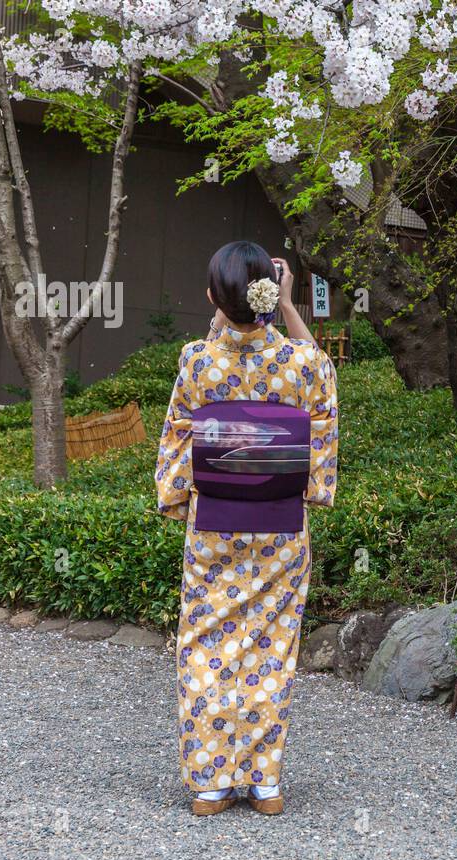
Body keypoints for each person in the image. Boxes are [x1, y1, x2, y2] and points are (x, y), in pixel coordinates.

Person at [154, 241, 339, 816]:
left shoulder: (197, 359)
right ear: (270, 293)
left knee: (207, 644)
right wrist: (286, 307)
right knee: (272, 647)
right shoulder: (304, 364)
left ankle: (211, 781)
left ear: (214, 297)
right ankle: (263, 782)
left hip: (214, 525)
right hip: (282, 527)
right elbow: (324, 398)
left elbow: (181, 433)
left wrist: (176, 497)